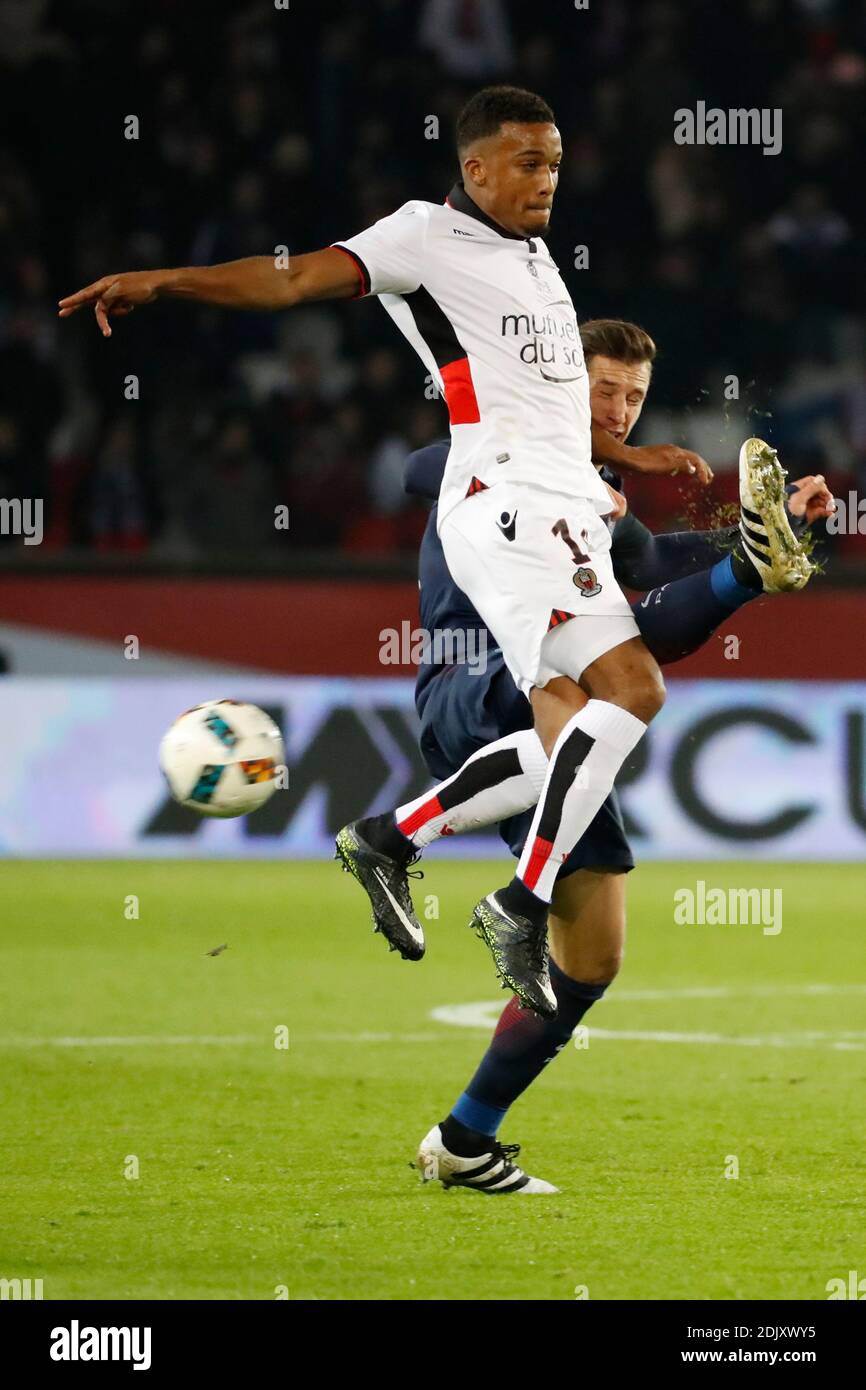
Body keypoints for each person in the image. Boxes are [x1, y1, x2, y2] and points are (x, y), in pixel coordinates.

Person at [59, 84, 719, 1019]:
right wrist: (164, 282)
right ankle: (519, 903)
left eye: (556, 164)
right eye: (529, 163)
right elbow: (290, 279)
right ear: (475, 166)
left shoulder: (534, 259)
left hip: (554, 497)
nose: (547, 182)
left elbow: (535, 401)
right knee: (634, 691)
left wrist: (625, 453)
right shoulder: (421, 236)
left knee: (573, 735)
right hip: (504, 502)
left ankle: (391, 838)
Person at [395, 317, 832, 1192]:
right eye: (605, 389)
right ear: (562, 382)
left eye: (634, 396)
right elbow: (420, 469)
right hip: (478, 682)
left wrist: (767, 532)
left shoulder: (593, 488)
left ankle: (464, 1140)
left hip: (550, 691)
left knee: (591, 960)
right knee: (611, 677)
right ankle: (411, 847)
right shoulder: (505, 445)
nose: (622, 411)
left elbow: (649, 565)